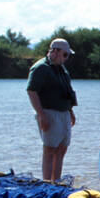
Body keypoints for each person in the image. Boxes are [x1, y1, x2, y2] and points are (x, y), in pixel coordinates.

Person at [27, 38, 77, 182]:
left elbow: (67, 91)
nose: (66, 58)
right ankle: (47, 182)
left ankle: (57, 182)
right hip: (49, 112)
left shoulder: (61, 68)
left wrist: (71, 111)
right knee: (49, 149)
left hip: (64, 113)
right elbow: (32, 91)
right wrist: (41, 115)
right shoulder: (41, 68)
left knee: (62, 148)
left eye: (68, 55)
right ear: (54, 52)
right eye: (65, 54)